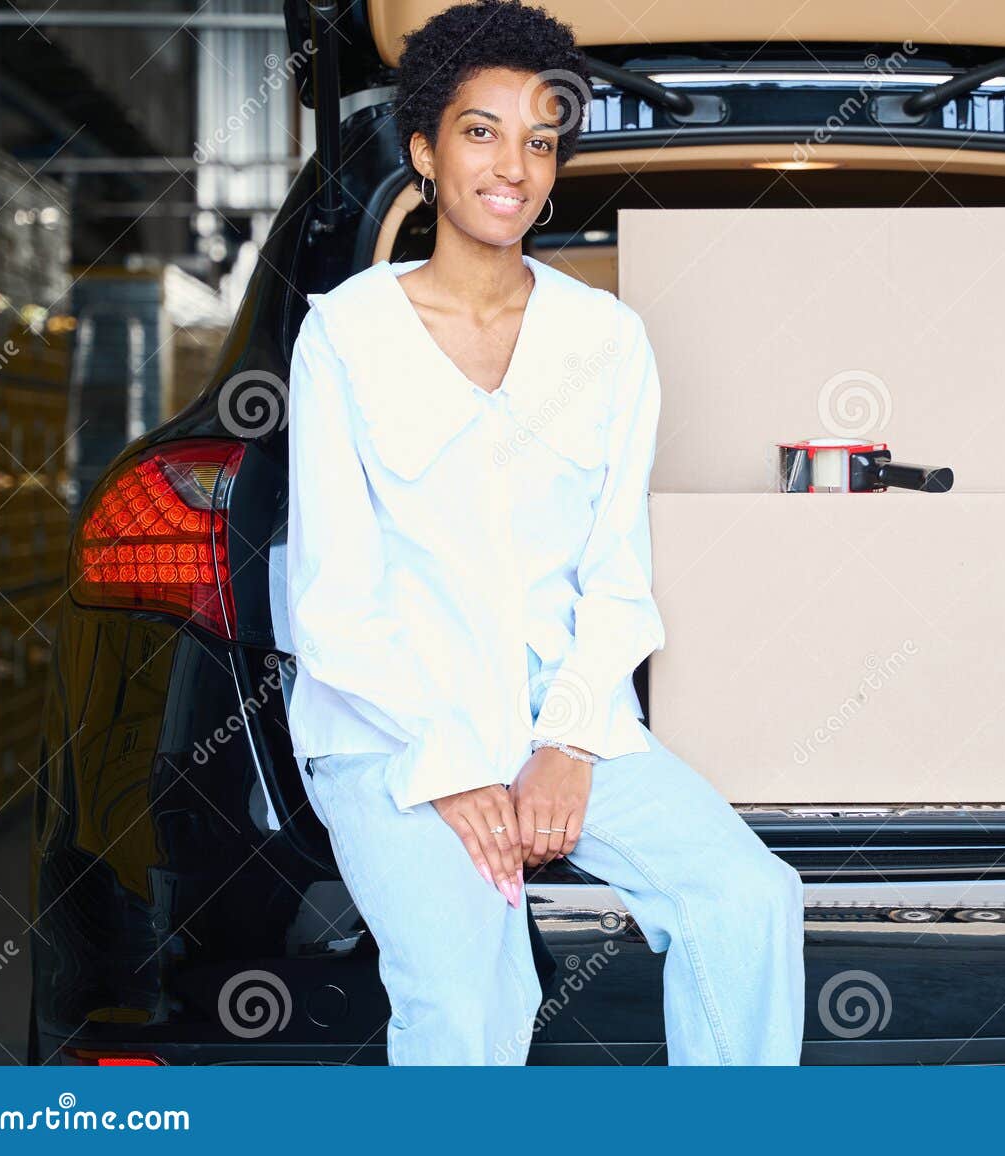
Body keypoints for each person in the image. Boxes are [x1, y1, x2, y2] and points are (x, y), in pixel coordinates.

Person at [283, 0, 806, 1065]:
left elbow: (617, 576)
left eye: (539, 140)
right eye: (480, 132)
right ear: (424, 151)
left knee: (748, 899)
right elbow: (334, 602)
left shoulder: (605, 340)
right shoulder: (345, 336)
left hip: (563, 720)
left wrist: (566, 744)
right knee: (471, 995)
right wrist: (451, 767)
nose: (512, 167)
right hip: (396, 735)